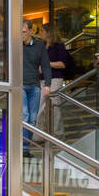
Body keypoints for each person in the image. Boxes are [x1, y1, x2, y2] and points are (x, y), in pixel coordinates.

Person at [22, 19, 50, 154]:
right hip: (19, 85)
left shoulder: (39, 46)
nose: (20, 34)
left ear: (31, 31)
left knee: (33, 119)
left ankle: (26, 148)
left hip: (34, 86)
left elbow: (45, 65)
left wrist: (48, 84)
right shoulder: (15, 45)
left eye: (23, 32)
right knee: (24, 115)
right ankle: (22, 147)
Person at [42, 23, 69, 132]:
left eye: (42, 31)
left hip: (55, 78)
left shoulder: (58, 46)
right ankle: (43, 134)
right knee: (41, 108)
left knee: (54, 106)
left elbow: (63, 64)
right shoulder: (42, 46)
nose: (40, 34)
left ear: (48, 33)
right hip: (42, 79)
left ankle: (55, 133)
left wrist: (47, 64)